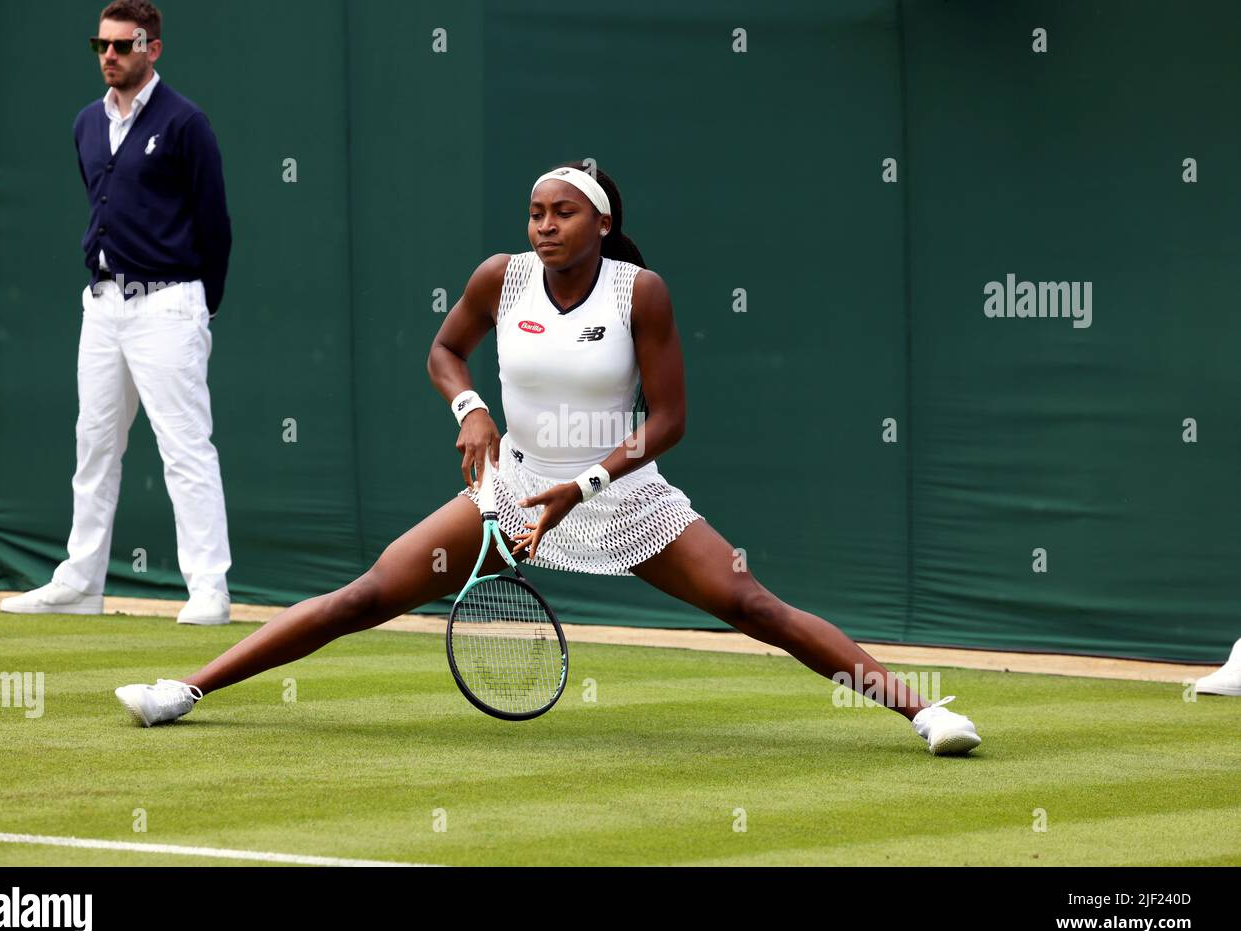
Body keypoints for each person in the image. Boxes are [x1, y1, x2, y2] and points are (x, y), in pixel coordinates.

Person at [115, 161, 982, 756]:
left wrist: (584, 486)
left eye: (561, 212)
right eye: (535, 213)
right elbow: (444, 352)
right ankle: (184, 690)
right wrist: (472, 410)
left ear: (602, 221)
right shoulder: (503, 277)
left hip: (622, 495)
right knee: (367, 595)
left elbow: (670, 419)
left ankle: (925, 712)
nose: (544, 225)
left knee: (751, 602)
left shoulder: (639, 293)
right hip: (515, 485)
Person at [0, 1, 234, 626]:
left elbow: (215, 224)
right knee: (94, 445)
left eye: (123, 45)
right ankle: (81, 581)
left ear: (151, 48)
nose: (110, 55)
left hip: (170, 305)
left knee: (185, 449)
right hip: (102, 305)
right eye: (100, 45)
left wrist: (197, 305)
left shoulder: (186, 122)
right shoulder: (85, 123)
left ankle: (209, 589)